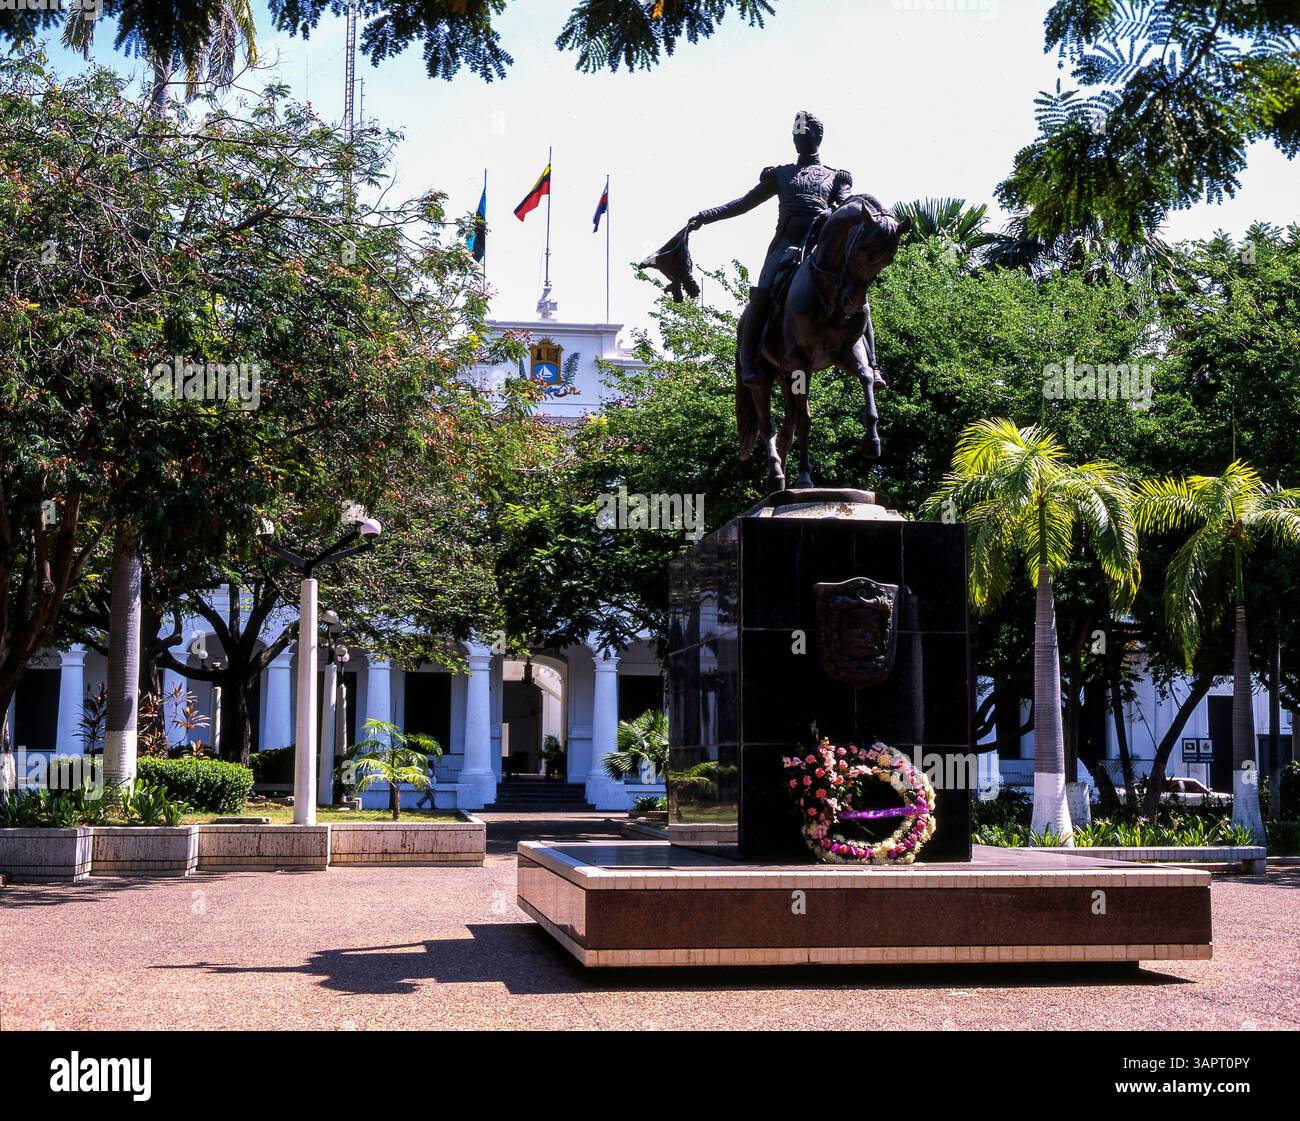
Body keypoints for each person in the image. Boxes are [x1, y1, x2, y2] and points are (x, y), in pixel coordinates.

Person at [688, 111, 854, 386]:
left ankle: (871, 365)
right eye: (796, 135)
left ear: (819, 138)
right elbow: (743, 203)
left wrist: (834, 209)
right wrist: (707, 215)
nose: (799, 139)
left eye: (805, 135)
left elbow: (845, 205)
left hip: (819, 246)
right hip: (786, 245)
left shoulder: (835, 177)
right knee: (762, 294)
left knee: (857, 293)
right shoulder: (781, 175)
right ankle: (749, 362)